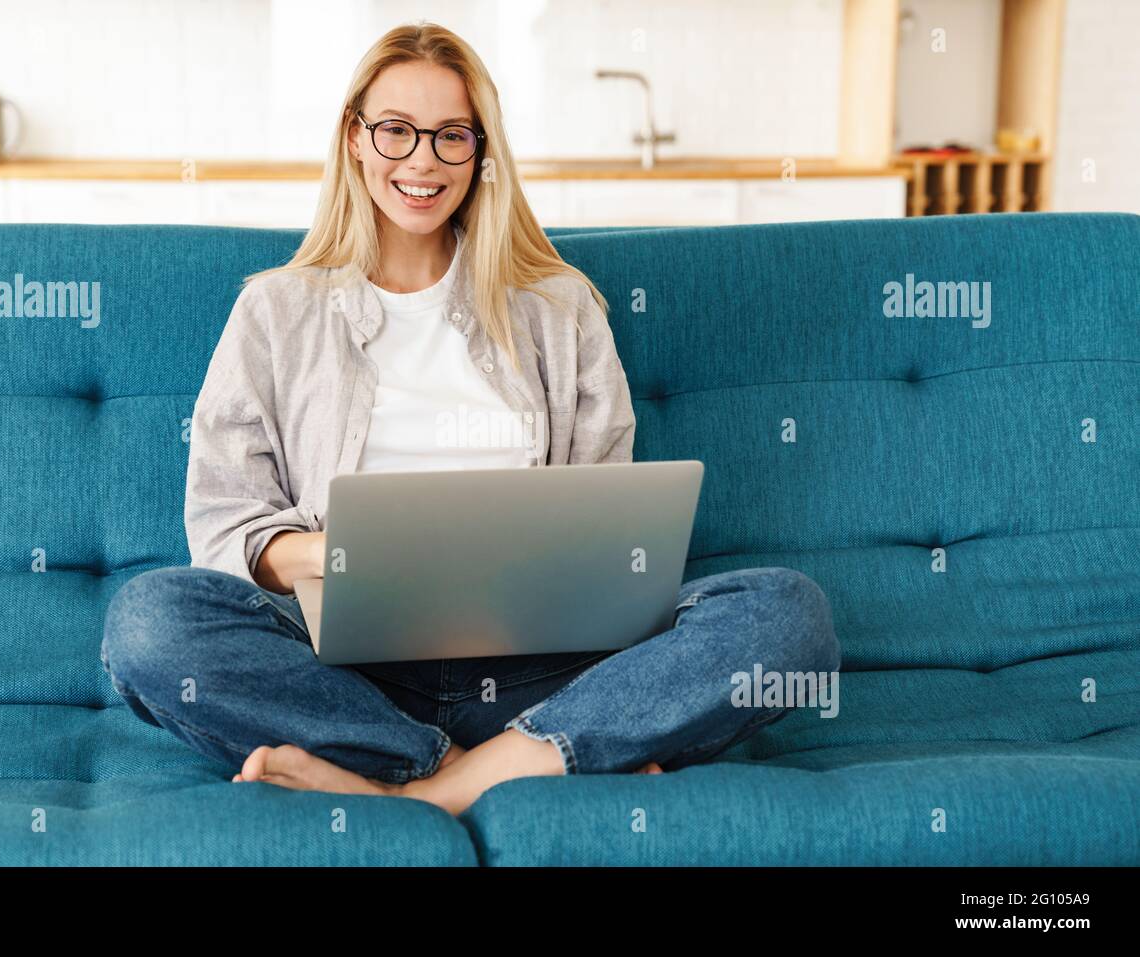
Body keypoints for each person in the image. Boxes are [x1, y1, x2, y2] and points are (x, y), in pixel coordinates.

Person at [101, 21, 840, 818]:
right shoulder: (275, 311)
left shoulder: (561, 309)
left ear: (481, 153)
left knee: (789, 612)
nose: (422, 160)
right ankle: (515, 763)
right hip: (346, 682)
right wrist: (338, 553)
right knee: (147, 623)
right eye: (396, 131)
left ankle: (424, 788)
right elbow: (223, 526)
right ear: (355, 139)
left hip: (546, 669)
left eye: (451, 136)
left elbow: (613, 530)